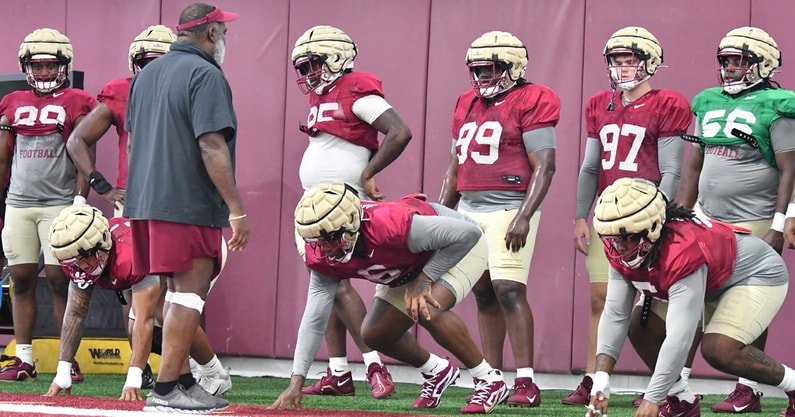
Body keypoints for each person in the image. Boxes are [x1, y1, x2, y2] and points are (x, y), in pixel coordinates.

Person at [270, 182, 508, 414]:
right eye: (318, 242)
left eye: (331, 238)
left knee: (426, 307)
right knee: (374, 334)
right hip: (408, 265)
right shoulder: (322, 255)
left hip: (456, 248)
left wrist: (424, 280)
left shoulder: (388, 226)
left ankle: (488, 379)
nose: (326, 249)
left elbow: (467, 234)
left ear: (352, 221)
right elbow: (314, 317)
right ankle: (437, 370)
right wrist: (296, 381)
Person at [125, 3, 249, 413]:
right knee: (189, 294)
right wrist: (236, 208)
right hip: (186, 201)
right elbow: (211, 145)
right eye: (224, 32)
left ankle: (181, 379)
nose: (225, 39)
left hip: (144, 200)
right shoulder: (206, 74)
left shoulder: (145, 76)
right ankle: (165, 393)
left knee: (173, 294)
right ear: (211, 34)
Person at [584, 177, 795, 417]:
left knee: (719, 349)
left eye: (626, 238)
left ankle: (794, 385)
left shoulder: (681, 248)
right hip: (710, 278)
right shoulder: (621, 247)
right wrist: (601, 377)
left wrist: (653, 397)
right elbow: (615, 312)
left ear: (652, 228)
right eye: (612, 239)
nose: (618, 248)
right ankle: (682, 399)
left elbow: (679, 337)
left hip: (754, 272)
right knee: (640, 326)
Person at [567, 26, 691, 406]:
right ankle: (593, 378)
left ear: (649, 62)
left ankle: (666, 386)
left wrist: (658, 212)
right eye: (617, 60)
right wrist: (580, 216)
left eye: (631, 59)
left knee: (660, 308)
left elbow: (672, 170)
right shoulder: (598, 103)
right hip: (607, 215)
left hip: (650, 218)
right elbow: (591, 167)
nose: (623, 67)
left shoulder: (668, 103)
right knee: (601, 299)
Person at [677, 26, 795, 414]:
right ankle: (679, 386)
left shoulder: (777, 104)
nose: (730, 68)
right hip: (709, 218)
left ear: (762, 63)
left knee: (748, 303)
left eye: (739, 60)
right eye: (726, 61)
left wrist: (781, 221)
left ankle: (748, 388)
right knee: (707, 302)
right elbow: (695, 163)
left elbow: (789, 168)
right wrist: (683, 212)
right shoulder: (708, 101)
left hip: (757, 217)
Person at [438, 30, 558, 408]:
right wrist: (442, 214)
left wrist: (524, 215)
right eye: (477, 69)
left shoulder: (533, 98)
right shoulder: (465, 102)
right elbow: (455, 166)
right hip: (470, 210)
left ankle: (526, 380)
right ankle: (490, 377)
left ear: (513, 67)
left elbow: (546, 165)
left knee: (509, 289)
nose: (482, 76)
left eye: (490, 69)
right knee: (483, 293)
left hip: (510, 207)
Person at [289, 24, 409, 399]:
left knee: (335, 283)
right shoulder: (322, 95)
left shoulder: (355, 87)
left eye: (315, 64)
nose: (310, 74)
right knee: (327, 281)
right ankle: (339, 371)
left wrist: (370, 173)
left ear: (339, 58)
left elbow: (399, 131)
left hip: (340, 203)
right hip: (315, 202)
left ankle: (374, 363)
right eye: (305, 66)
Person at [66, 23, 176, 393]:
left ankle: (191, 370)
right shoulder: (120, 93)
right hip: (133, 202)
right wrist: (101, 185)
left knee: (181, 292)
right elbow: (78, 140)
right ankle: (140, 369)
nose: (154, 69)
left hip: (178, 203)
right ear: (135, 63)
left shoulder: (190, 90)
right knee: (135, 294)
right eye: (148, 61)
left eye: (163, 61)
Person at [43, 205, 232, 399]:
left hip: (193, 250)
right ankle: (189, 372)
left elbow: (145, 317)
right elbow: (76, 312)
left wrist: (134, 378)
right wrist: (63, 371)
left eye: (81, 260)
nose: (78, 269)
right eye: (71, 263)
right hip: (163, 257)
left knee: (167, 313)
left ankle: (214, 374)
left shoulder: (129, 253)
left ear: (101, 245)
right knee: (141, 325)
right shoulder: (83, 258)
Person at [0, 27, 97, 383]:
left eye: (49, 66)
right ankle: (23, 357)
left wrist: (78, 201)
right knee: (21, 280)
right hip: (19, 203)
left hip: (59, 203)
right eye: (36, 66)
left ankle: (66, 359)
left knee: (60, 280)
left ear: (64, 66)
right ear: (25, 66)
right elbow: (3, 160)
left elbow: (87, 154)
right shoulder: (10, 102)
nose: (42, 73)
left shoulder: (80, 101)